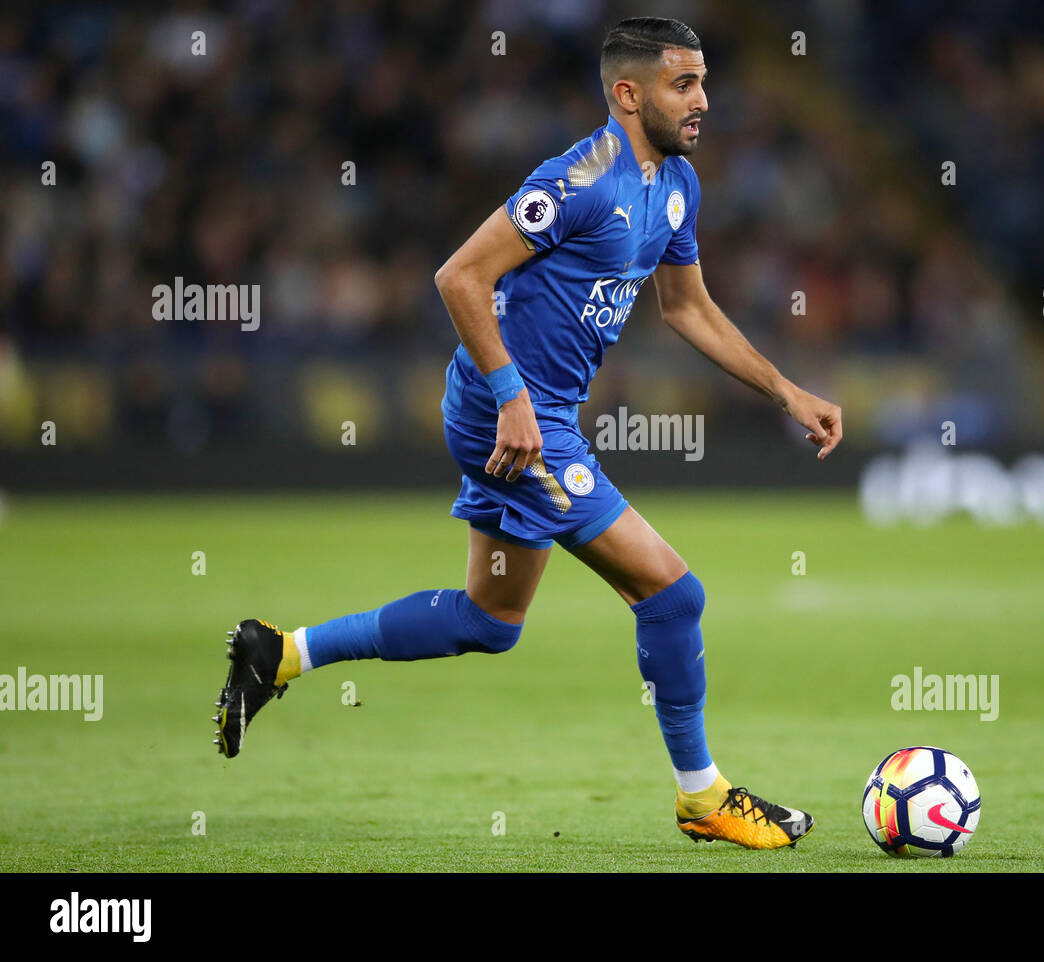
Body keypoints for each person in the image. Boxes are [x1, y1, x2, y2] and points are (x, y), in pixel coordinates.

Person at [212, 17, 842, 850]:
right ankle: (704, 797)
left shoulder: (679, 184)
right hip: (513, 418)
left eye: (702, 82)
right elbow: (459, 275)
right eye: (681, 85)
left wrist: (786, 391)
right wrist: (512, 396)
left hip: (533, 416)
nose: (701, 101)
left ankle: (279, 655)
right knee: (672, 592)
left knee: (489, 620)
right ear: (628, 93)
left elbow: (686, 307)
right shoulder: (577, 179)